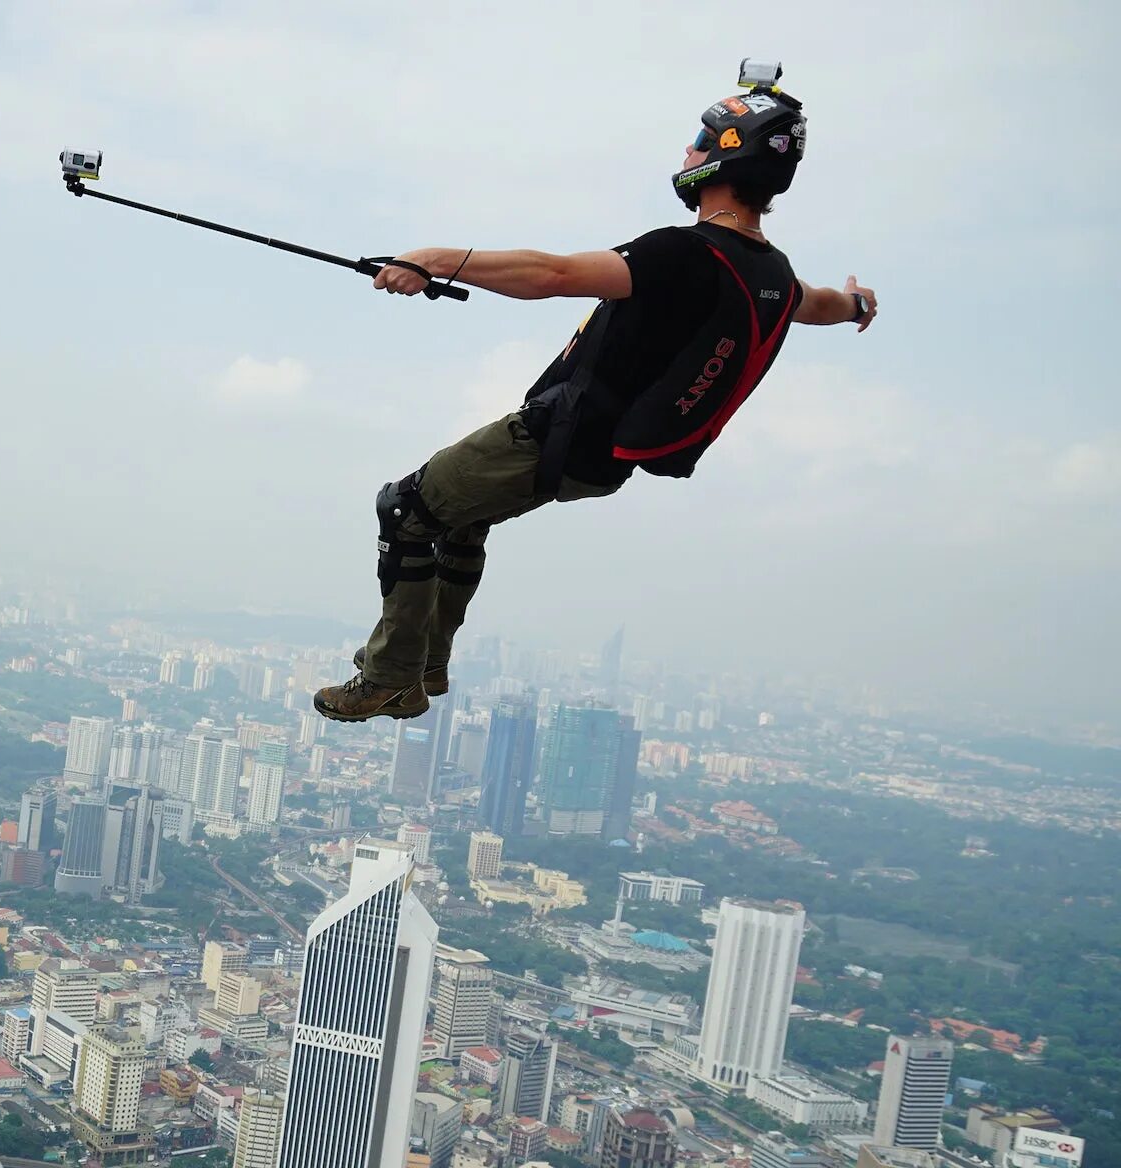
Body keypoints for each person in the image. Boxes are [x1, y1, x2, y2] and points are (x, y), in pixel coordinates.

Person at [314, 68, 877, 723]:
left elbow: (553, 274)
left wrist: (437, 258)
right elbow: (824, 305)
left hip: (553, 433)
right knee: (461, 517)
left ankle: (388, 679)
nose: (688, 153)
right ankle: (426, 668)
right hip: (597, 460)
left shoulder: (682, 253)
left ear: (726, 153)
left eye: (700, 140)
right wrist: (859, 303)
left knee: (406, 509)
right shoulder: (773, 276)